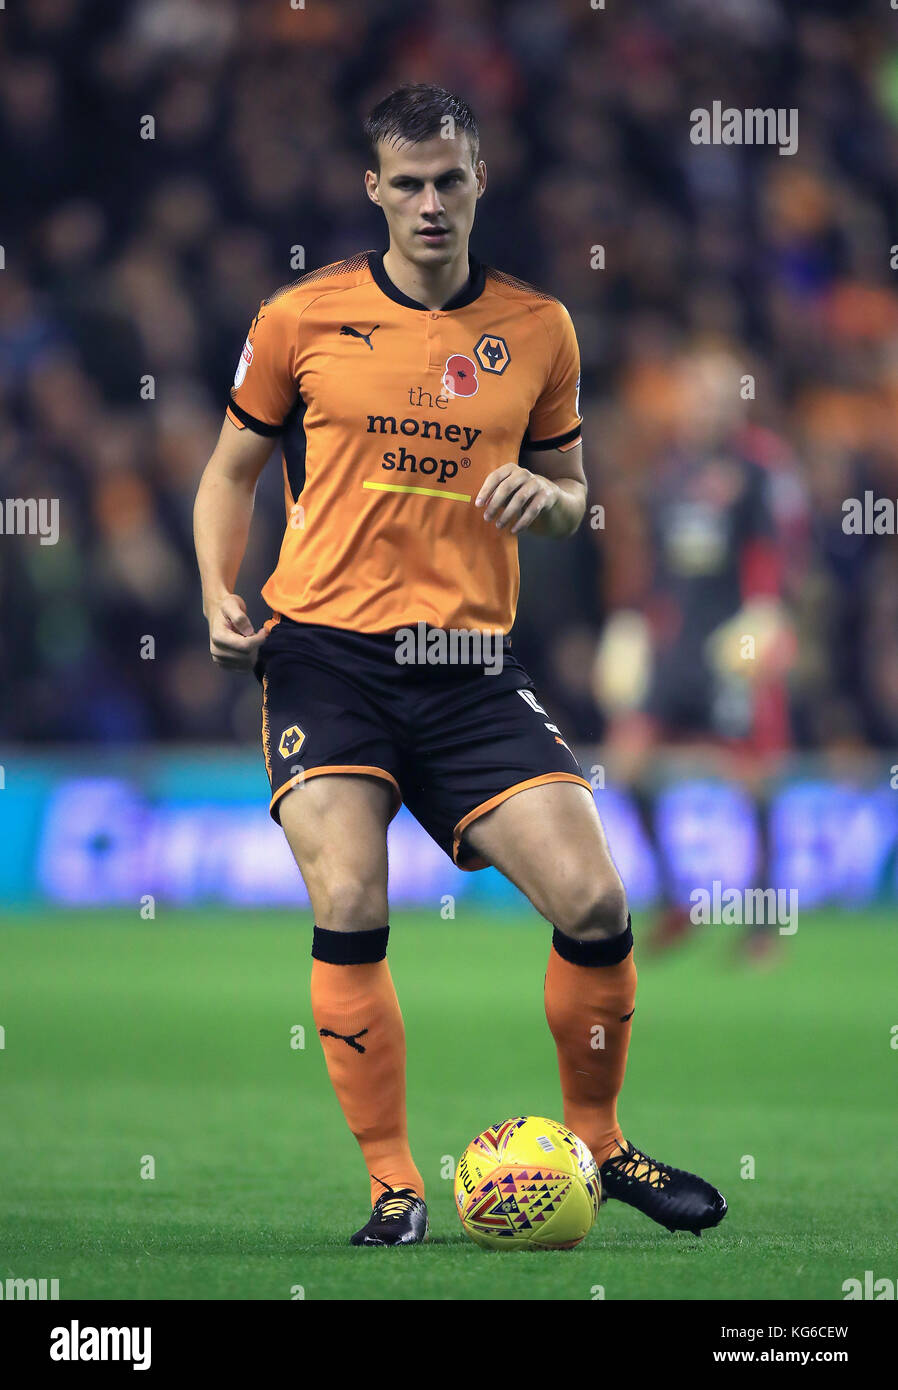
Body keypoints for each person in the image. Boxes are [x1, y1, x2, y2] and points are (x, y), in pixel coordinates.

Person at [193, 83, 726, 1246]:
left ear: (479, 182)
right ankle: (394, 1182)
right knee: (348, 896)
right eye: (408, 181)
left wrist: (552, 503)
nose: (430, 201)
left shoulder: (539, 330)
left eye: (450, 179)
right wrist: (215, 591)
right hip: (325, 655)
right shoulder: (298, 318)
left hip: (470, 663)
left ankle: (600, 1141)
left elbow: (572, 498)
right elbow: (228, 471)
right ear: (371, 188)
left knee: (594, 900)